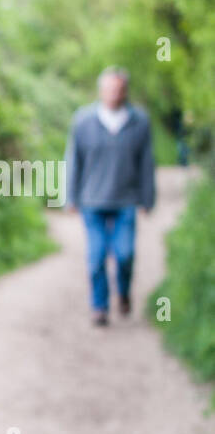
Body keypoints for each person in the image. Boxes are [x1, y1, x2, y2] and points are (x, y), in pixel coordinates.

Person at [63, 67, 155, 327]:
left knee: (125, 254)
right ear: (101, 91)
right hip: (92, 200)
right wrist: (70, 196)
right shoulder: (83, 120)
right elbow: (73, 160)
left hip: (126, 199)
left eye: (119, 89)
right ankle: (99, 307)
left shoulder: (139, 122)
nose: (115, 93)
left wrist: (148, 199)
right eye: (110, 88)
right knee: (96, 257)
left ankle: (124, 293)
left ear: (125, 91)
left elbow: (147, 163)